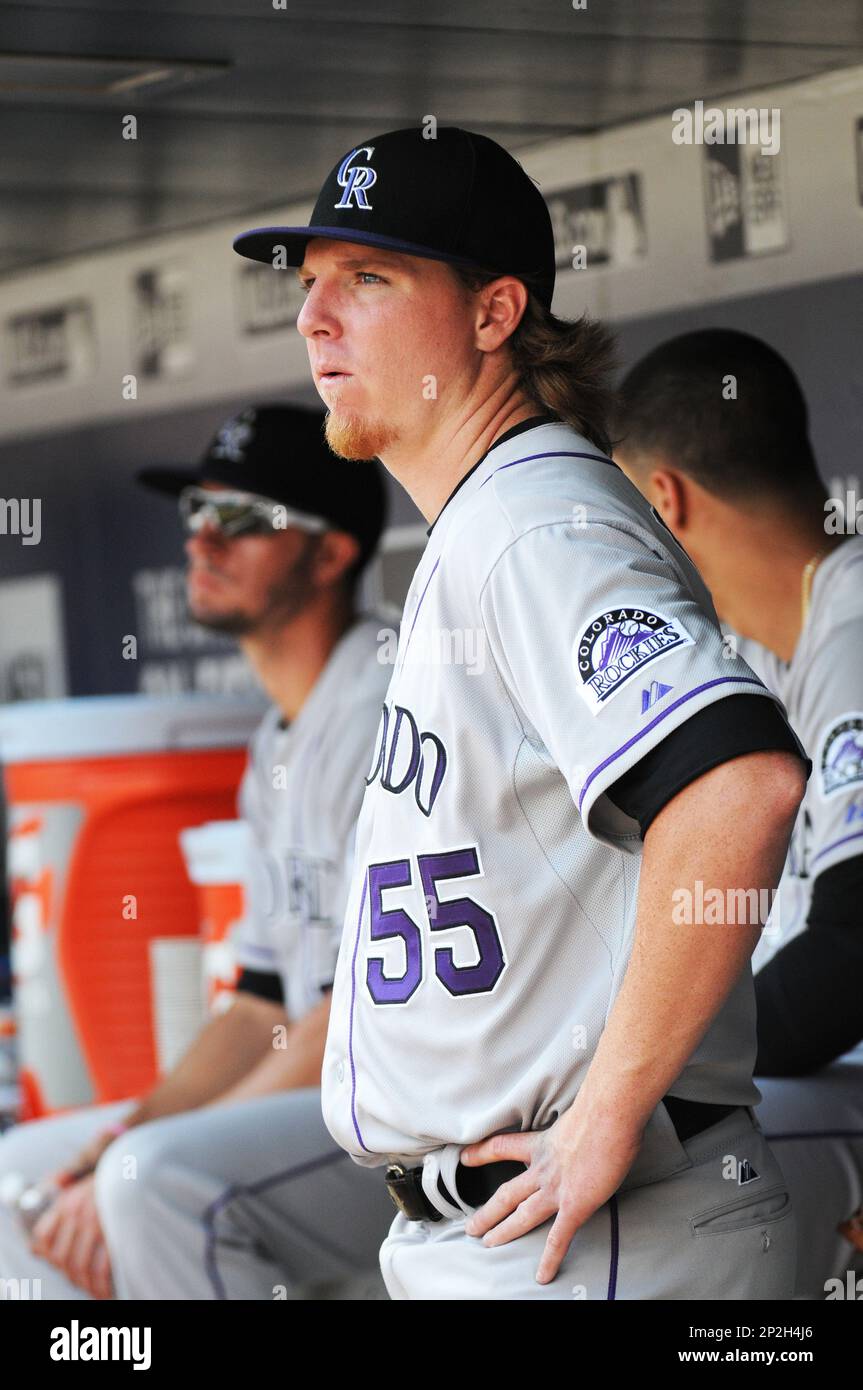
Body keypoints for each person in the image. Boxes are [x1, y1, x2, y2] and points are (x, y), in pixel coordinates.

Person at [233, 128, 810, 1300]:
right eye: (308, 286)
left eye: (368, 278)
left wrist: (606, 1115)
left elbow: (740, 786)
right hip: (522, 1230)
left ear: (494, 313)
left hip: (604, 1225)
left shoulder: (535, 525)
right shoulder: (489, 522)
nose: (314, 319)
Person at [0, 403, 396, 1299]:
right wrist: (119, 1137)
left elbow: (356, 1018)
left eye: (244, 520)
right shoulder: (279, 741)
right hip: (321, 1098)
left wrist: (137, 1155)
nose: (203, 542)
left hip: (416, 1109)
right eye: (197, 514)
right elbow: (261, 1009)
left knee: (154, 1185)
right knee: (27, 1174)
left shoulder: (387, 700)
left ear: (332, 554)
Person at [612, 328, 863, 1299]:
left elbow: (853, 947)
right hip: (813, 1082)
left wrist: (649, 1070)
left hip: (837, 1072)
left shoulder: (850, 628)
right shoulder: (763, 652)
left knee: (624, 1176)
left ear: (663, 498)